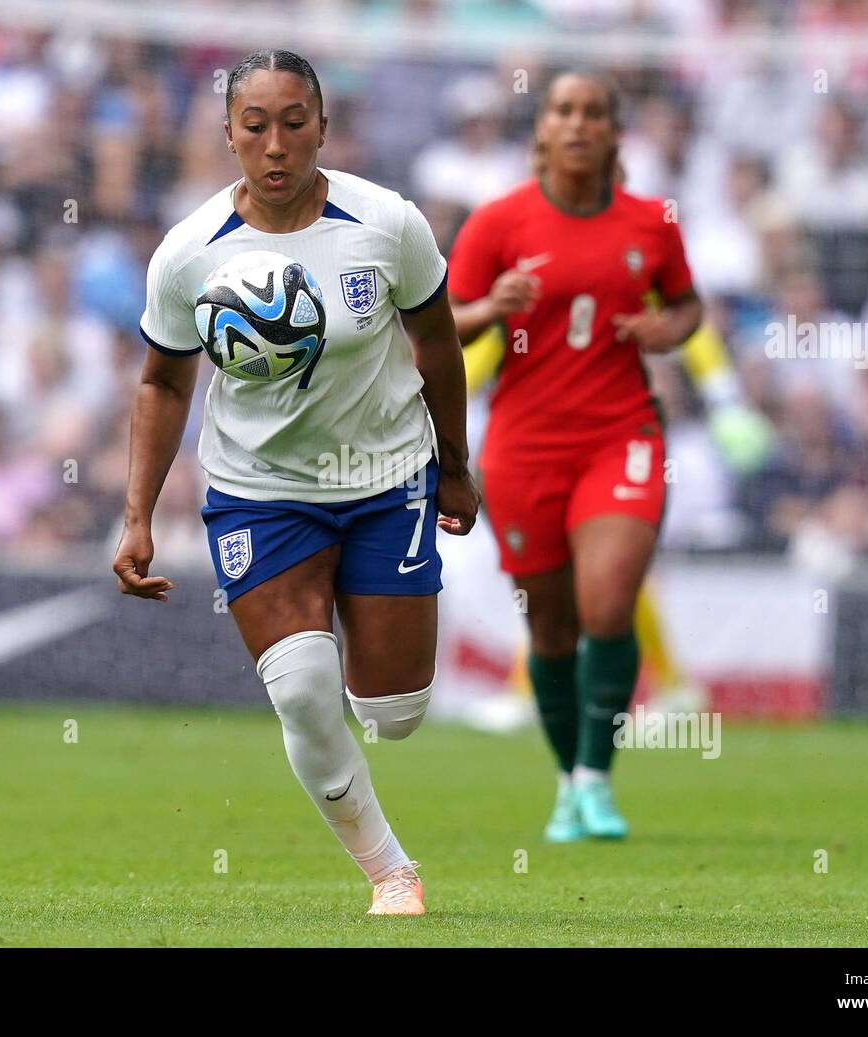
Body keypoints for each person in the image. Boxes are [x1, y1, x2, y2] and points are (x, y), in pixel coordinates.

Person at [112, 50, 479, 915]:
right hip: (260, 491)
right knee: (306, 693)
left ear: (323, 126)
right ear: (228, 134)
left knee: (395, 712)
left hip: (387, 479)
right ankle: (391, 870)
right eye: (255, 126)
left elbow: (438, 343)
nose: (275, 145)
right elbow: (163, 384)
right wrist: (135, 515)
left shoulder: (387, 223)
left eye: (293, 123)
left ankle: (363, 664)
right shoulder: (188, 254)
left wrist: (454, 467)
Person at [447, 70, 702, 842]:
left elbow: (688, 302)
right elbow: (441, 326)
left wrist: (672, 329)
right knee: (553, 632)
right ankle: (568, 783)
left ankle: (596, 777)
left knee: (608, 603)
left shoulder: (652, 223)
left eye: (595, 112)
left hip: (620, 434)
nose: (580, 124)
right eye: (564, 111)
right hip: (523, 449)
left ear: (616, 133)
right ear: (543, 133)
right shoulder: (498, 223)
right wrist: (493, 308)